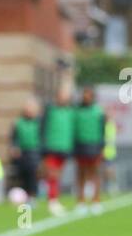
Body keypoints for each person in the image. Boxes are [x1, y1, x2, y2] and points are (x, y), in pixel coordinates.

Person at [41, 86, 76, 214]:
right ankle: (52, 200)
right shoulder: (50, 110)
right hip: (51, 147)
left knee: (58, 175)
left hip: (64, 147)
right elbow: (42, 128)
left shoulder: (70, 111)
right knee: (52, 174)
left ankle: (55, 199)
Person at [73, 85, 106, 214]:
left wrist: (101, 147)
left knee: (95, 174)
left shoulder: (98, 112)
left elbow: (102, 130)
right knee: (81, 173)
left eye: (88, 95)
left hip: (94, 145)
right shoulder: (77, 111)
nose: (85, 98)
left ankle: (96, 201)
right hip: (80, 145)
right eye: (84, 95)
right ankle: (80, 201)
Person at [9, 97, 42, 198]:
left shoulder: (39, 122)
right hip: (22, 152)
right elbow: (14, 138)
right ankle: (24, 196)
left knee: (33, 175)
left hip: (34, 152)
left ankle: (33, 195)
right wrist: (14, 147)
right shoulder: (18, 122)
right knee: (23, 175)